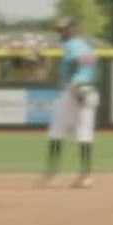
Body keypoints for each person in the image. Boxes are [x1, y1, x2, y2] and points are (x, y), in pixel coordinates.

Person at [41, 18, 99, 189]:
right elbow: (92, 63)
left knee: (57, 129)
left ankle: (52, 176)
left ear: (74, 29)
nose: (61, 33)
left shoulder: (72, 44)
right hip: (88, 91)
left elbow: (78, 62)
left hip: (72, 91)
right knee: (84, 131)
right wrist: (84, 82)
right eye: (60, 30)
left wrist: (76, 82)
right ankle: (85, 176)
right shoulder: (86, 45)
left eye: (65, 29)